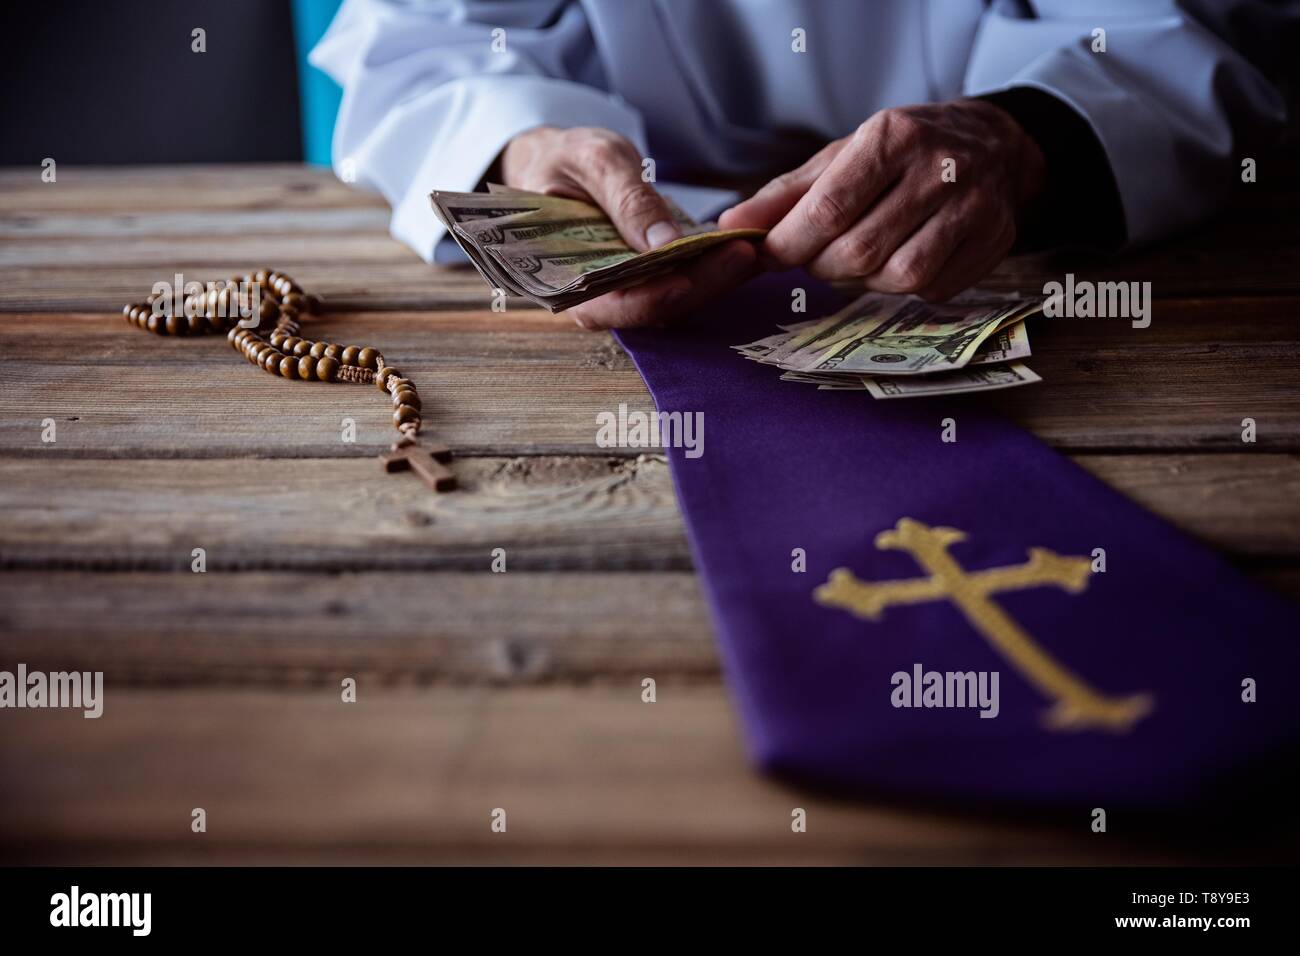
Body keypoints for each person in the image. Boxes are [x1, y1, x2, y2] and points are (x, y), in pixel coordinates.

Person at [311, 0, 1294, 329]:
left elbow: (1202, 43)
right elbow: (416, 41)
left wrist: (1030, 141)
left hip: (1041, 275)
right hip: (640, 241)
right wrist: (517, 143)